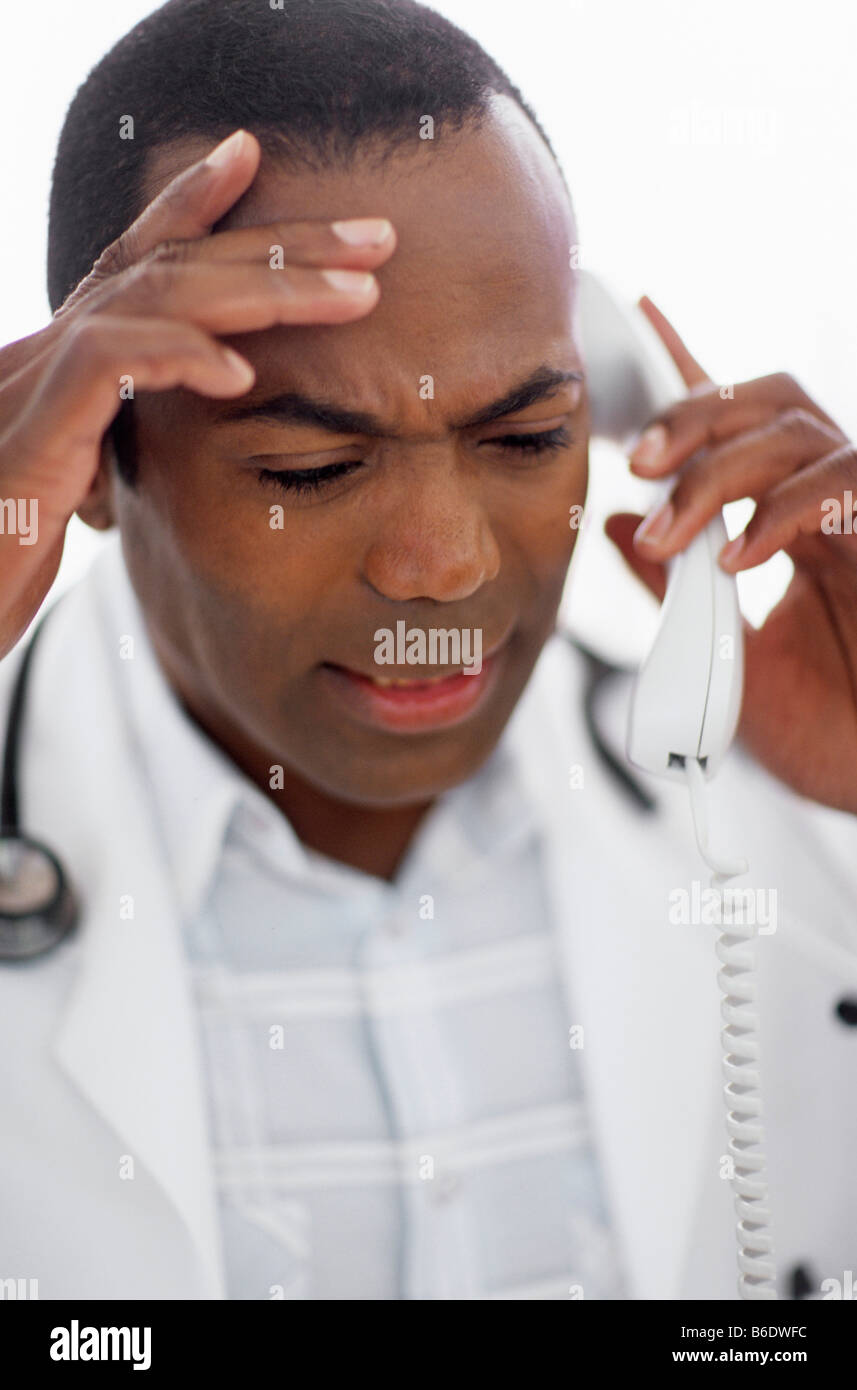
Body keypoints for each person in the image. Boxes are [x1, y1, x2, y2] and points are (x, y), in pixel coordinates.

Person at [1, 0, 856, 1302]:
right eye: (314, 465)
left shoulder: (796, 836)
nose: (442, 565)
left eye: (523, 439)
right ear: (95, 461)